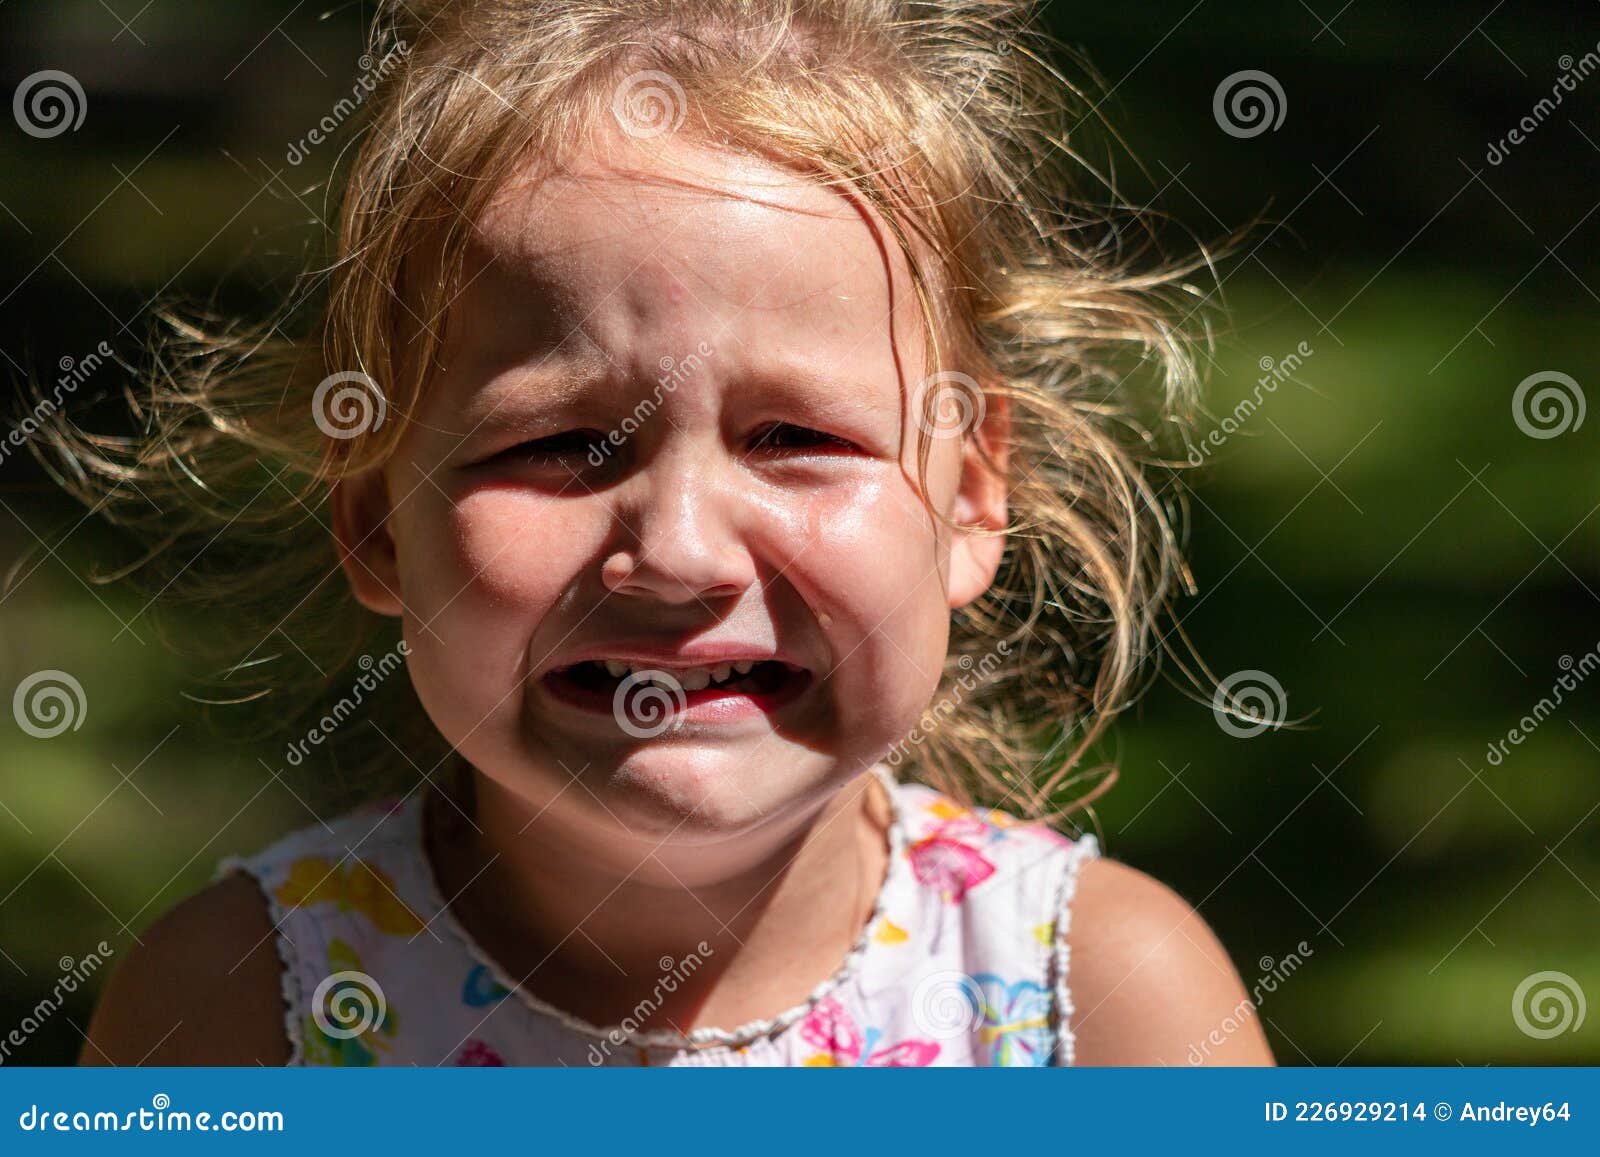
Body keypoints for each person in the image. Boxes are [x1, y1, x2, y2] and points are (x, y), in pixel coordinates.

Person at [68, 0, 1274, 1066]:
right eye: (560, 446)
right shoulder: (242, 1014)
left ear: (967, 492)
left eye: (795, 435)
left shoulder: (1100, 1008)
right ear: (376, 519)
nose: (684, 551)